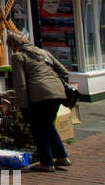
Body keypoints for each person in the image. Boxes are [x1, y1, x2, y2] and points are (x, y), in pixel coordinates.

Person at [7, 31, 75, 172]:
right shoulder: (43, 53)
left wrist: (23, 106)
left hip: (40, 95)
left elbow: (21, 84)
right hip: (57, 93)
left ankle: (46, 162)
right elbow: (64, 72)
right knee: (48, 125)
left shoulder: (18, 56)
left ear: (13, 44)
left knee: (38, 128)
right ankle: (62, 156)